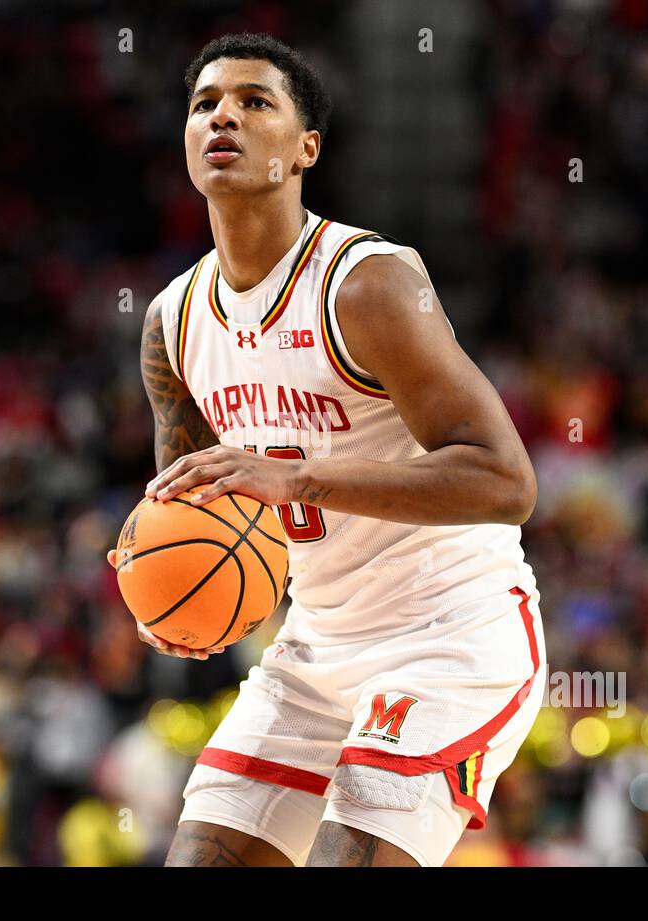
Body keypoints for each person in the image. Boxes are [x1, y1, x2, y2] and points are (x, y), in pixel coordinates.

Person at [109, 32, 545, 867]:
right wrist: (167, 587)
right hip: (313, 650)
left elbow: (505, 480)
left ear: (306, 148)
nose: (222, 116)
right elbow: (190, 503)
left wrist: (299, 477)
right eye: (204, 104)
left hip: (450, 634)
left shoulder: (368, 282)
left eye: (254, 101)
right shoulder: (172, 320)